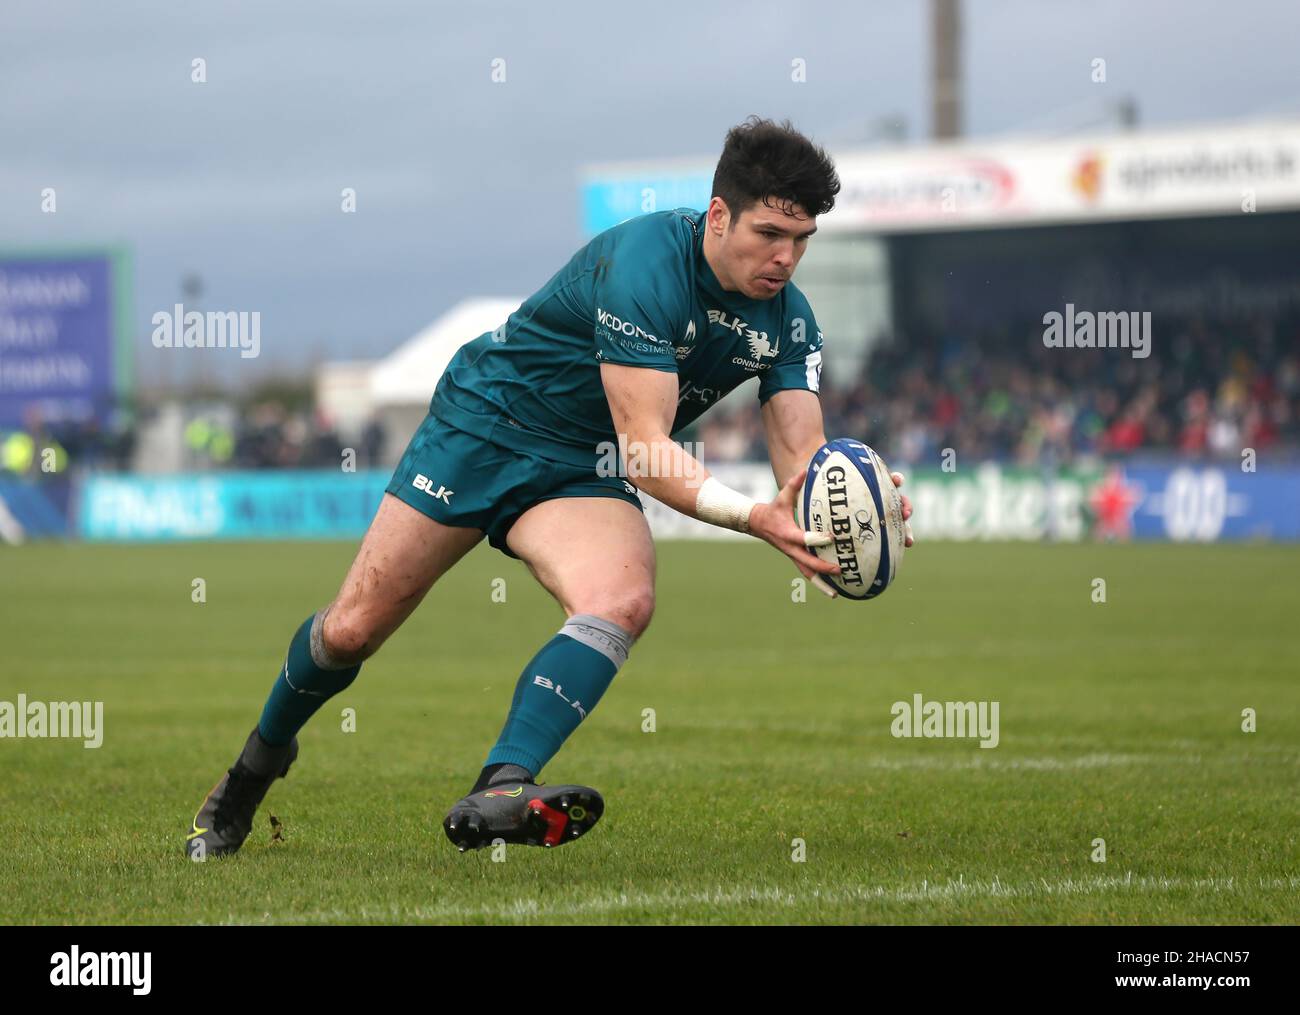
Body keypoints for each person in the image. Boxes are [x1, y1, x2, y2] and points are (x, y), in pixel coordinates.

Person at [185, 116, 914, 858]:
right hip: (486, 424)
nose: (786, 258)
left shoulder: (791, 322)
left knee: (623, 599)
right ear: (719, 215)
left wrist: (852, 507)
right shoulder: (647, 266)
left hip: (577, 463)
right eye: (769, 234)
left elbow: (802, 454)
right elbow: (647, 452)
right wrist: (754, 516)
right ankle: (256, 764)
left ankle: (503, 785)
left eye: (802, 240)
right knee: (350, 630)